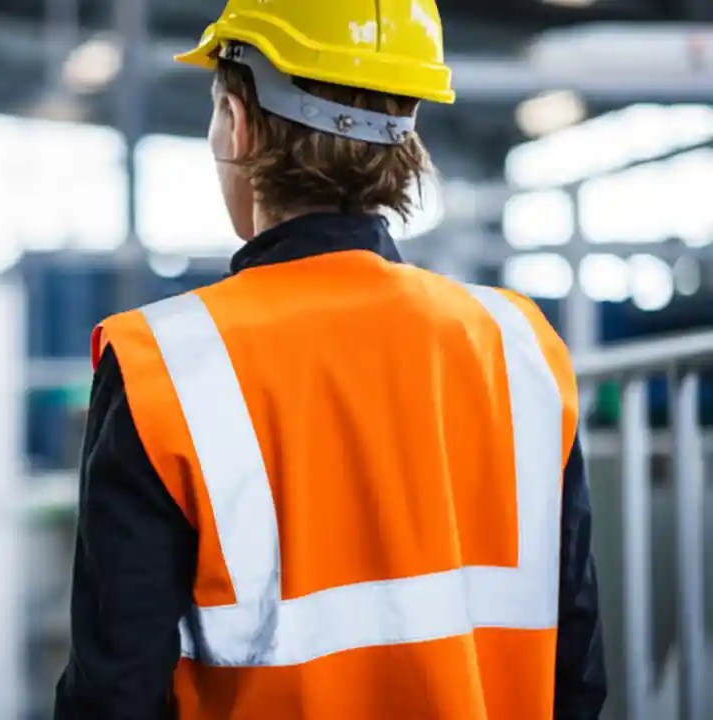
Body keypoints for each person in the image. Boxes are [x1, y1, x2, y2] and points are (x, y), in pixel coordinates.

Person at [54, 1, 606, 718]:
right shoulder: (518, 346)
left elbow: (113, 693)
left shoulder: (167, 363)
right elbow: (579, 664)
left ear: (240, 125)